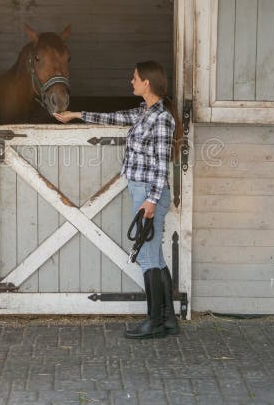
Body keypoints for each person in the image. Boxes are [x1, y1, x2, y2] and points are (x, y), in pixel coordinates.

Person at [54, 61, 182, 339]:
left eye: (135, 78)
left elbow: (162, 166)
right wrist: (75, 114)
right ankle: (168, 320)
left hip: (150, 192)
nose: (131, 81)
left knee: (147, 258)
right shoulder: (144, 112)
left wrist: (150, 201)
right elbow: (112, 118)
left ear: (147, 83)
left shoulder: (161, 119)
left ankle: (154, 323)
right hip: (142, 189)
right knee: (156, 257)